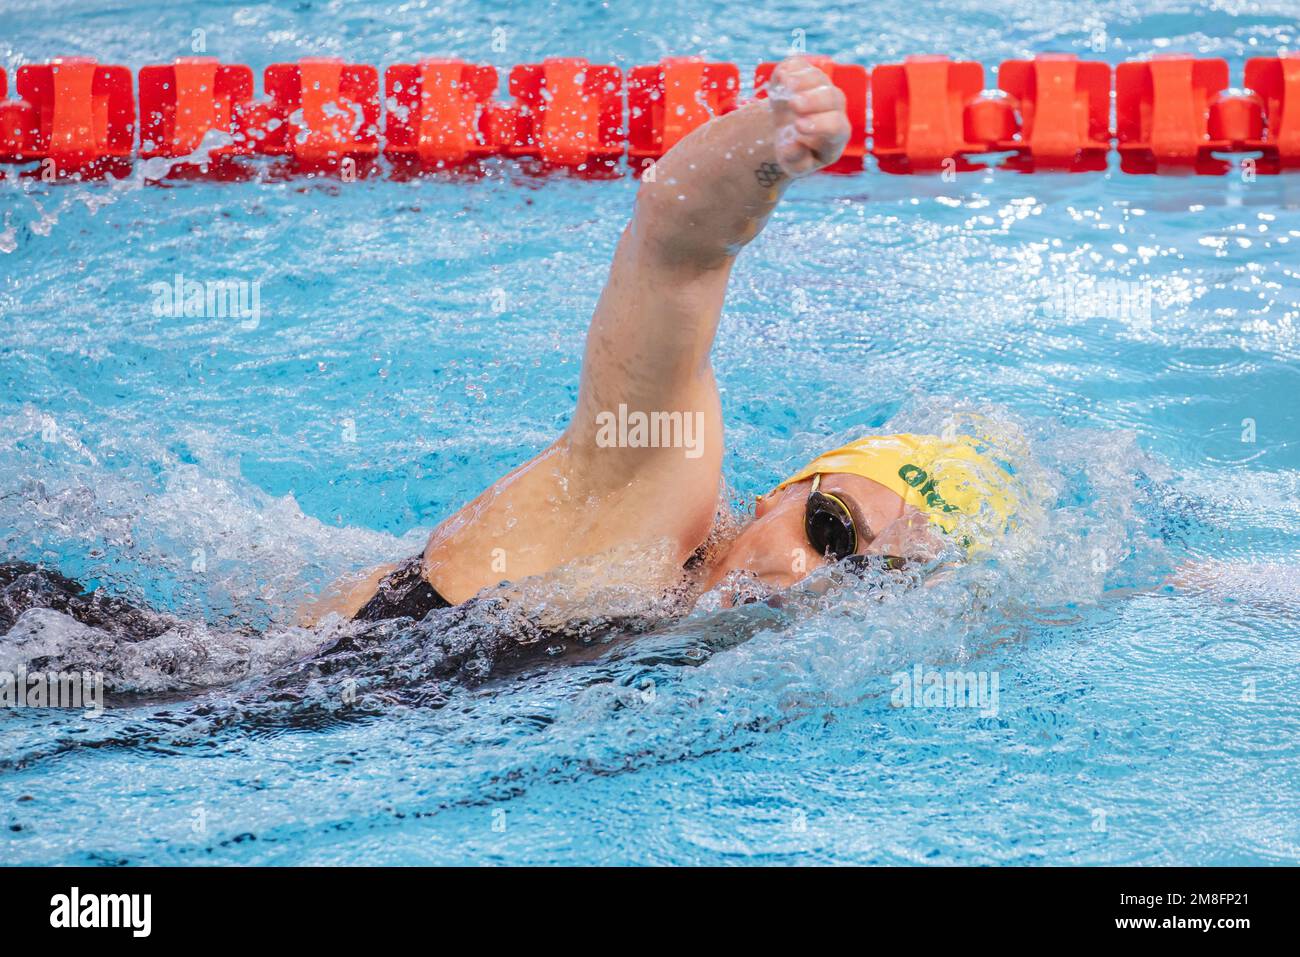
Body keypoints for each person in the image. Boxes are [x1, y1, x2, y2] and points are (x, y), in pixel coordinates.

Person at [311, 57, 1020, 625]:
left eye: (871, 581)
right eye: (830, 531)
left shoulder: (705, 649)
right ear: (779, 494)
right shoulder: (649, 512)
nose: (813, 580)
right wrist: (769, 150)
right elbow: (673, 252)